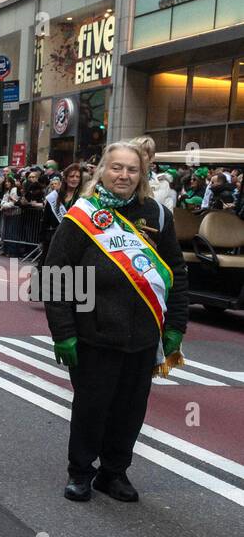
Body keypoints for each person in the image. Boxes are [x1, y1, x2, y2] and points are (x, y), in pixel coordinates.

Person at [43, 141, 188, 503]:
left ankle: (114, 472)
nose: (124, 175)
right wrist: (63, 333)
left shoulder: (157, 215)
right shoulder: (82, 215)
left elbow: (177, 271)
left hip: (143, 334)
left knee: (129, 409)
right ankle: (80, 472)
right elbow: (56, 275)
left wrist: (175, 327)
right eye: (117, 168)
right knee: (92, 407)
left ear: (142, 175)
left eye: (132, 169)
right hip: (93, 332)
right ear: (102, 171)